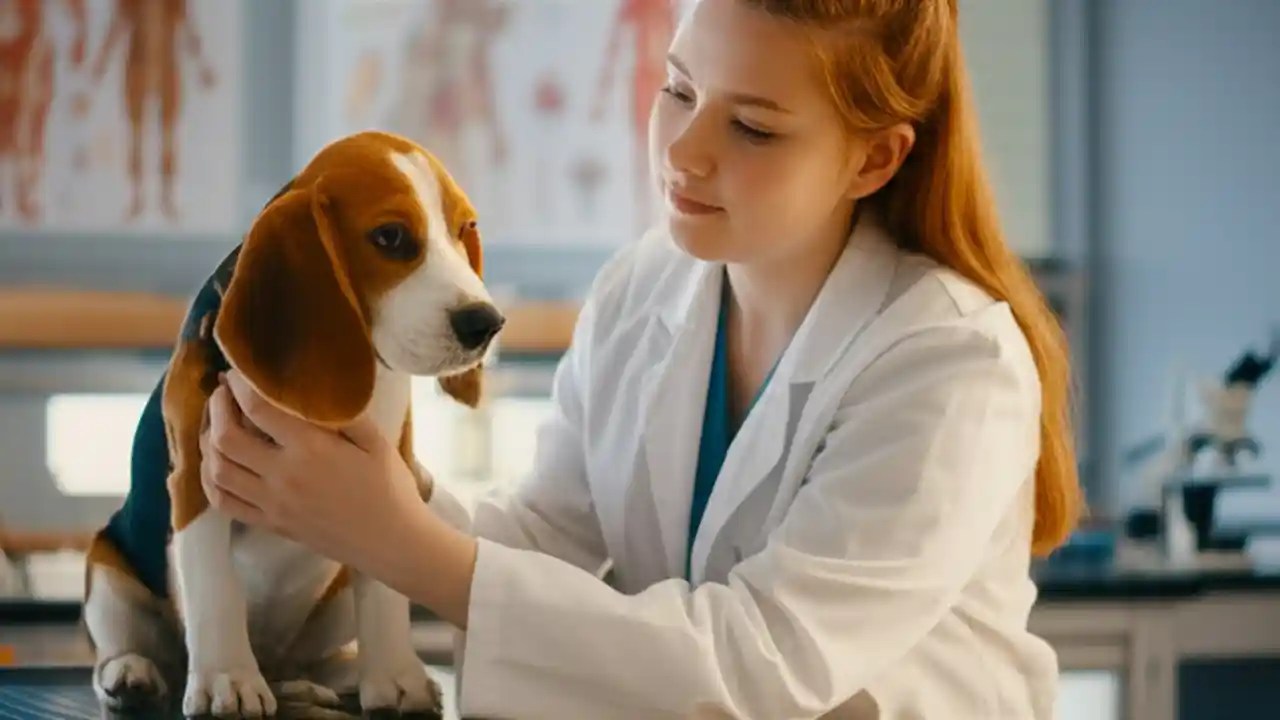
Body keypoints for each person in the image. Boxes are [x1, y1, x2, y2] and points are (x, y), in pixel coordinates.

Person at [201, 0, 1084, 717]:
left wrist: (394, 540)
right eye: (678, 89)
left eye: (753, 129)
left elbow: (761, 664)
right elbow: (546, 540)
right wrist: (366, 484)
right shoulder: (646, 285)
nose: (684, 152)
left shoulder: (950, 362)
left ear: (875, 158)